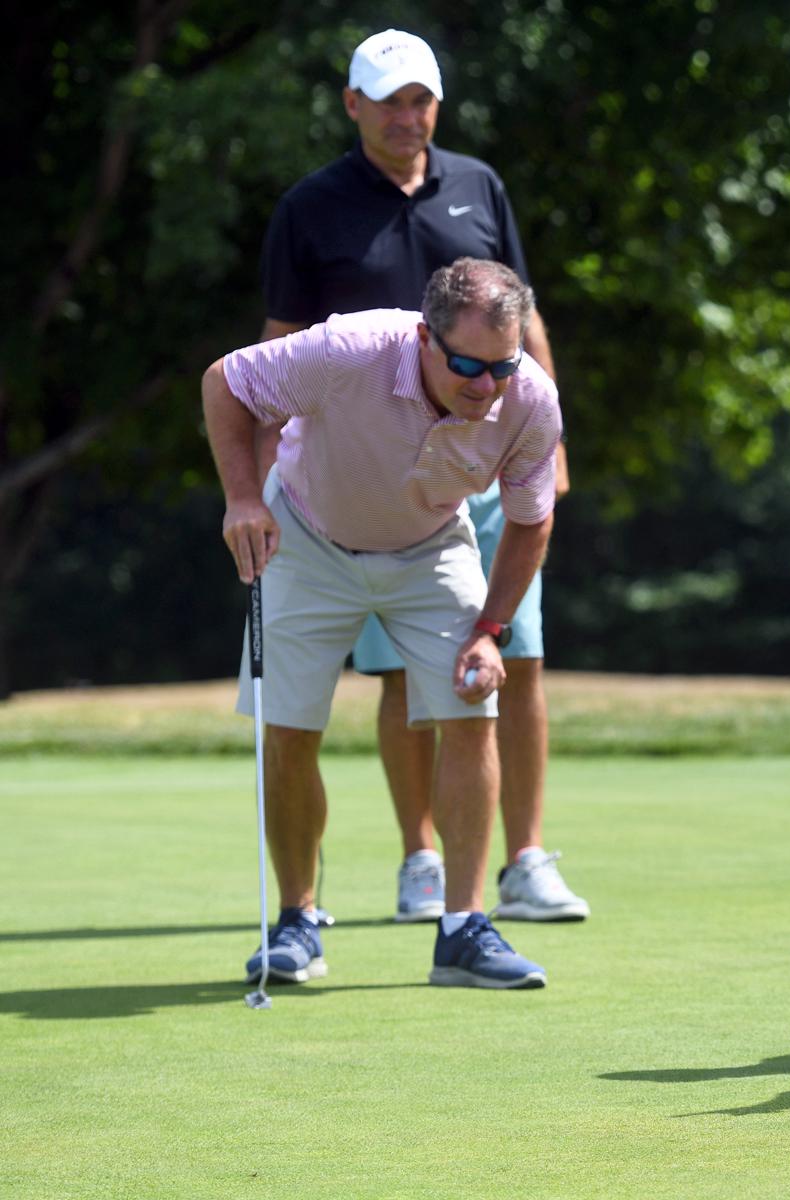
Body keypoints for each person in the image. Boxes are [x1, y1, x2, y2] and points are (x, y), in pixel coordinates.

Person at [257, 28, 587, 924]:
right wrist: (277, 481)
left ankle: (524, 859)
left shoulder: (478, 185)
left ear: (437, 106)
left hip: (488, 466)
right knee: (408, 677)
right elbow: (279, 350)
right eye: (390, 101)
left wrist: (548, 444)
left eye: (422, 101)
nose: (409, 118)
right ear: (353, 105)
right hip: (369, 480)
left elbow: (521, 311)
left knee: (513, 654)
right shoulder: (312, 205)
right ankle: (422, 861)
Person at [205, 258, 560, 989]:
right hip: (304, 535)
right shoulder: (349, 349)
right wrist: (243, 498)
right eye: (465, 364)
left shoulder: (529, 399)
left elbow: (530, 524)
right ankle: (298, 921)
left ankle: (462, 929)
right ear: (425, 337)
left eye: (500, 365)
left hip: (431, 546)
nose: (484, 385)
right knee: (291, 726)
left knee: (472, 707)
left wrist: (490, 632)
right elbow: (226, 384)